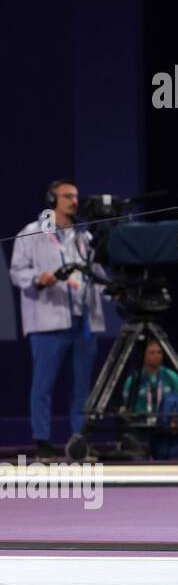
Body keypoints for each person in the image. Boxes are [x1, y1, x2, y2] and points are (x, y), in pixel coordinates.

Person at [7, 179, 106, 460]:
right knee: (43, 385)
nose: (75, 201)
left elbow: (95, 271)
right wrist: (38, 279)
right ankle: (43, 443)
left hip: (82, 320)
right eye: (67, 196)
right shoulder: (31, 233)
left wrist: (113, 294)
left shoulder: (83, 236)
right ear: (53, 199)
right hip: (48, 321)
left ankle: (79, 442)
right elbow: (17, 272)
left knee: (82, 386)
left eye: (76, 196)